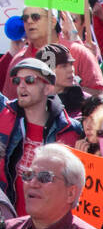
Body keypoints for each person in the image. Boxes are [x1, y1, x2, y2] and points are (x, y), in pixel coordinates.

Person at [0, 59, 83, 216]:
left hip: (49, 225)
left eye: (30, 80)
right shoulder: (4, 116)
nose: (21, 86)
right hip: (7, 222)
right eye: (17, 81)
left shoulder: (70, 130)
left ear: (48, 88)